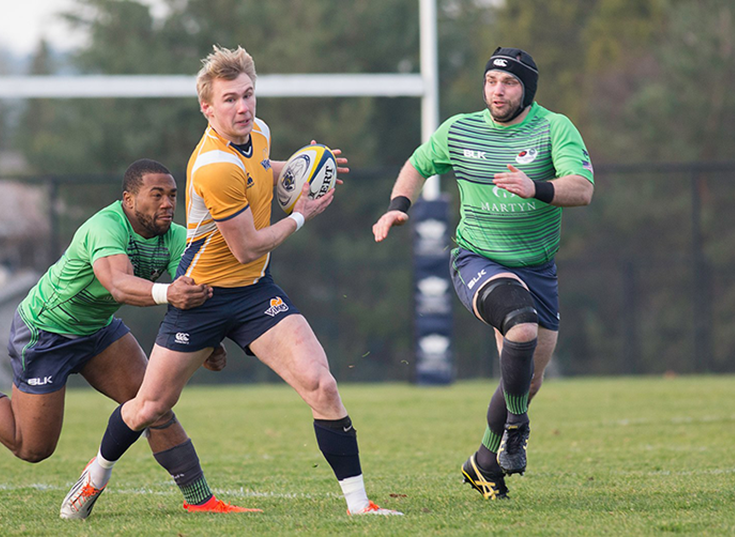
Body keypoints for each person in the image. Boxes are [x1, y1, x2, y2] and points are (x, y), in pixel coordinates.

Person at [62, 45, 402, 517]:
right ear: (207, 107)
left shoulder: (258, 133)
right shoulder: (213, 166)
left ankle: (359, 506)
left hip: (255, 293)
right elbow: (248, 245)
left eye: (248, 95)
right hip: (200, 297)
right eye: (229, 100)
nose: (242, 107)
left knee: (321, 385)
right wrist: (302, 215)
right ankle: (94, 477)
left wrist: (305, 168)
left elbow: (262, 170)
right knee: (148, 406)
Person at [0, 158, 246, 518]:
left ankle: (200, 500)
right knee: (32, 448)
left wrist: (210, 342)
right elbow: (119, 284)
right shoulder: (105, 227)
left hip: (97, 329)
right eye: (156, 194)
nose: (166, 203)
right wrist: (169, 294)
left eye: (172, 195)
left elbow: (190, 293)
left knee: (153, 404)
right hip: (45, 331)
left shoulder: (176, 238)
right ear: (129, 200)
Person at [373, 47, 594, 499]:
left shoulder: (555, 128)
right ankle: (517, 426)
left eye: (509, 83)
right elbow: (417, 165)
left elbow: (583, 189)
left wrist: (536, 186)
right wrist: (398, 208)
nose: (498, 90)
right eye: (492, 81)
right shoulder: (460, 129)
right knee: (520, 326)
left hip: (538, 269)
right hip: (478, 259)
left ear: (526, 90)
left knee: (528, 379)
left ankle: (484, 461)